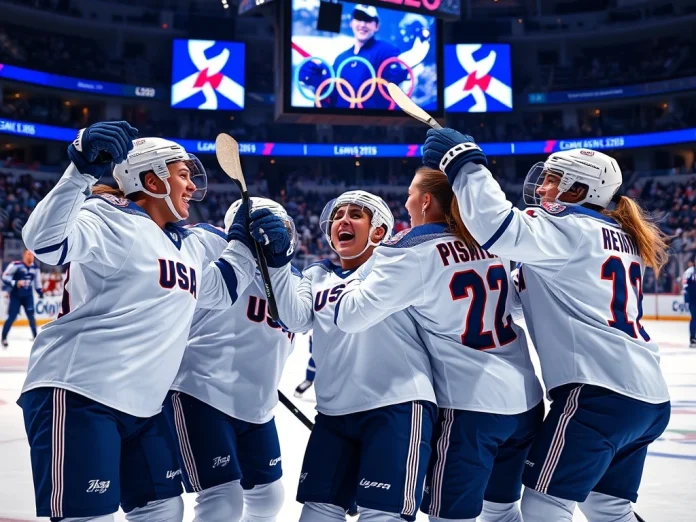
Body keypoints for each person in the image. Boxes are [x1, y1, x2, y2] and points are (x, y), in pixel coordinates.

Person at [422, 129, 671, 522]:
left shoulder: (567, 227)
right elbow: (543, 299)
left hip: (597, 395)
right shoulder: (619, 235)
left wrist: (465, 164)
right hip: (649, 399)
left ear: (577, 190)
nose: (541, 189)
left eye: (552, 179)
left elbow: (495, 226)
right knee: (608, 507)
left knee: (543, 506)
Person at [18, 121, 258, 522]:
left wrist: (244, 245)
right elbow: (44, 241)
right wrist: (79, 171)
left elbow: (222, 289)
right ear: (151, 178)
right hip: (81, 393)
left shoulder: (187, 243)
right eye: (183, 174)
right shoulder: (111, 216)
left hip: (145, 407)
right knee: (89, 516)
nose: (192, 187)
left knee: (164, 510)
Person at [334, 167, 544, 522]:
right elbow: (513, 308)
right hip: (525, 401)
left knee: (450, 517)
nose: (406, 201)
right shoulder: (492, 241)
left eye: (411, 193)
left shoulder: (412, 250)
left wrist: (367, 267)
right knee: (503, 512)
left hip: (470, 407)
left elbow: (349, 317)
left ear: (426, 200)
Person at [250, 190, 437, 522]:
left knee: (382, 516)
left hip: (396, 407)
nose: (342, 220)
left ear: (378, 231)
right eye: (337, 215)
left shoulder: (400, 267)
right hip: (334, 415)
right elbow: (294, 318)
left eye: (355, 214)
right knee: (316, 515)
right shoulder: (317, 275)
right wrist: (278, 261)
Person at [162, 198, 299, 522]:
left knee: (268, 498)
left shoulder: (291, 277)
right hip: (203, 392)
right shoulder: (210, 244)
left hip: (257, 405)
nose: (274, 236)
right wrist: (237, 239)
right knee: (222, 501)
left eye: (280, 229)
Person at [298, 5, 409, 109]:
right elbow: (331, 99)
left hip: (377, 125)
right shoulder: (340, 59)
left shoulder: (387, 50)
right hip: (342, 125)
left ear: (377, 26)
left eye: (368, 20)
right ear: (351, 23)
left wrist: (396, 77)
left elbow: (397, 87)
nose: (362, 24)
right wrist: (318, 82)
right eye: (358, 18)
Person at [1, 249, 43, 347]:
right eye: (28, 254)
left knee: (31, 316)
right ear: (24, 255)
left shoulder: (35, 268)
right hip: (16, 295)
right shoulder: (16, 265)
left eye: (32, 254)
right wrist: (15, 282)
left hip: (28, 296)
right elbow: (4, 277)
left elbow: (37, 282)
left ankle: (35, 338)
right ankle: (3, 337)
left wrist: (40, 291)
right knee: (11, 317)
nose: (30, 256)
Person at [681, 259, 696, 347]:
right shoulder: (689, 272)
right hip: (693, 299)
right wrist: (687, 297)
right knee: (694, 318)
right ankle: (693, 338)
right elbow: (685, 286)